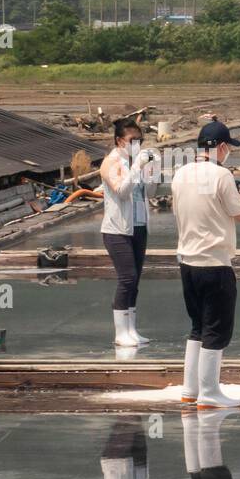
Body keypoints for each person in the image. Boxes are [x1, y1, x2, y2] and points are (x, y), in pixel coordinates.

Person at [171, 120, 240, 408]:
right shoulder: (221, 176)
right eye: (228, 147)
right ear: (219, 147)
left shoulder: (179, 174)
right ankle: (209, 392)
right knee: (216, 329)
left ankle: (189, 389)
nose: (228, 152)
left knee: (198, 327)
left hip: (187, 262)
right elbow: (239, 214)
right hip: (215, 263)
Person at [99, 118, 160, 347]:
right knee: (127, 278)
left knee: (135, 281)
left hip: (139, 226)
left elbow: (151, 192)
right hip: (117, 230)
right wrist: (136, 167)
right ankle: (120, 332)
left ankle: (132, 329)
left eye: (140, 140)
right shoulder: (110, 163)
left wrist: (152, 170)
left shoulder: (137, 163)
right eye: (132, 141)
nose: (137, 145)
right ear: (119, 141)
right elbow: (122, 191)